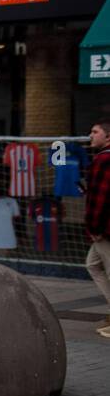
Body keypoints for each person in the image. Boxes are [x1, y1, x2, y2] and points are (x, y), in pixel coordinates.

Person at [82, 119, 110, 337]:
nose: (90, 135)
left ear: (107, 136)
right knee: (92, 264)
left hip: (104, 230)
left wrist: (94, 227)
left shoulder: (103, 159)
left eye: (95, 131)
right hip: (103, 228)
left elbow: (99, 199)